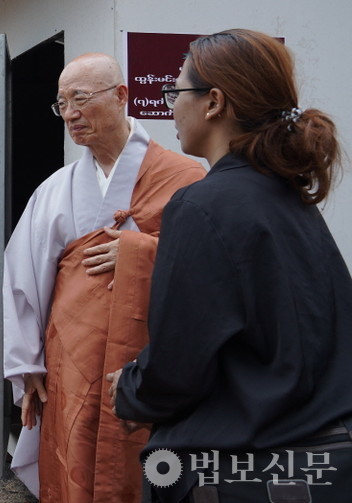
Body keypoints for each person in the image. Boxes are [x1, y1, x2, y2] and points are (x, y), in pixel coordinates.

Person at [110, 29, 352, 502]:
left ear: (214, 102)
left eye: (175, 91)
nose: (170, 106)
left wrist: (132, 388)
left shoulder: (201, 206)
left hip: (246, 471)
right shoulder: (291, 200)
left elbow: (179, 365)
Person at [2, 53, 205, 502]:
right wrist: (26, 362)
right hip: (70, 361)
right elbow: (21, 277)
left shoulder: (185, 177)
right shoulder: (55, 189)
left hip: (151, 361)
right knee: (72, 458)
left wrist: (141, 252)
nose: (70, 114)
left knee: (146, 465)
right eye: (61, 104)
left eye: (80, 99)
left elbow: (207, 270)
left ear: (121, 97)